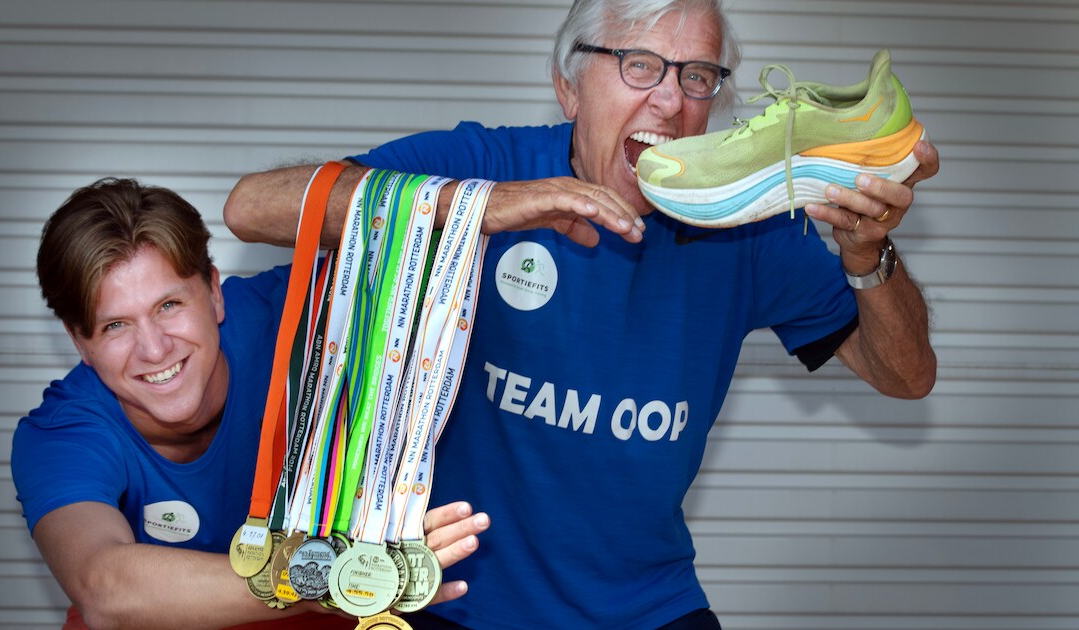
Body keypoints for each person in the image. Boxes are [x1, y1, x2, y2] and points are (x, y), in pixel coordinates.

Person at [221, 0, 940, 627]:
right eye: (639, 65)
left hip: (649, 608)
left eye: (697, 75)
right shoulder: (488, 163)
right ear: (569, 87)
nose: (671, 101)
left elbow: (907, 376)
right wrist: (479, 208)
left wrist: (866, 251)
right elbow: (252, 207)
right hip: (454, 601)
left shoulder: (747, 223)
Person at [11, 177, 490, 629]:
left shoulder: (307, 316)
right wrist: (324, 579)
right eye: (115, 325)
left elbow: (421, 233)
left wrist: (503, 200)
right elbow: (104, 589)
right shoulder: (63, 430)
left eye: (169, 306)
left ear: (214, 293)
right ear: (80, 341)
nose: (154, 350)